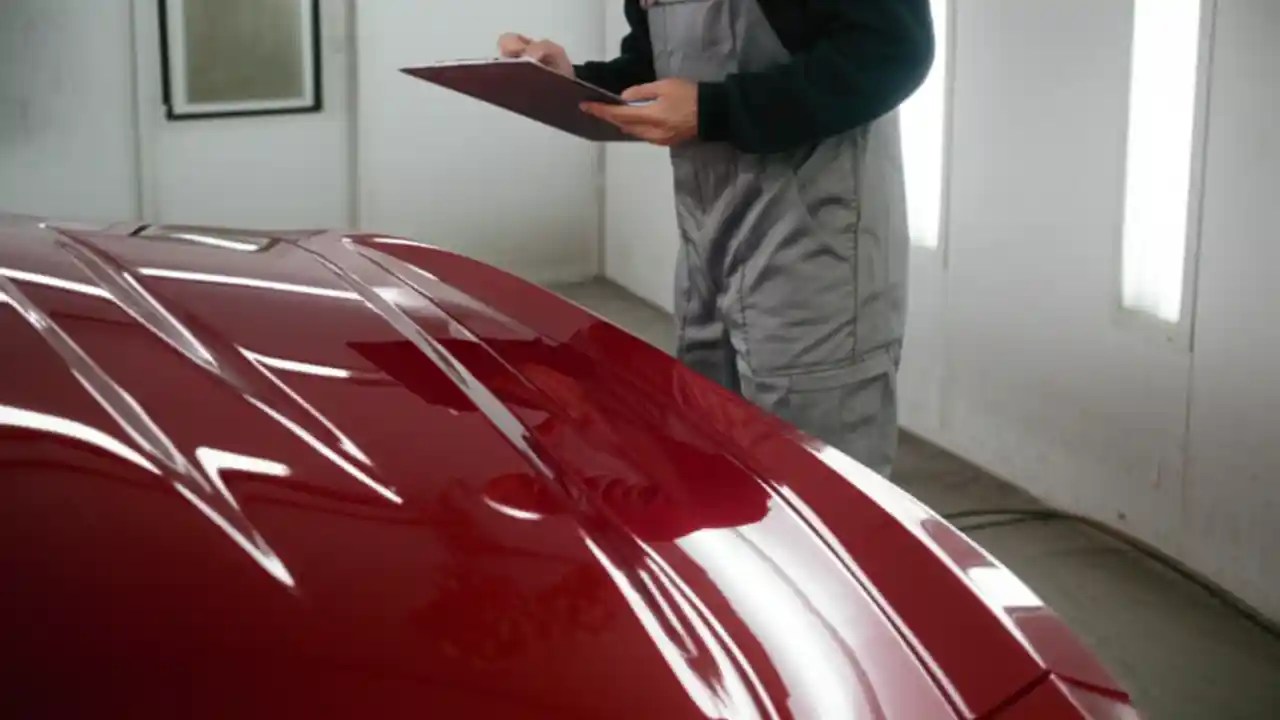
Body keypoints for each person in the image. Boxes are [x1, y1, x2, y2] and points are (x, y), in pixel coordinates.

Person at [498, 0, 934, 478]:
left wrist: (715, 109)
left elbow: (893, 50)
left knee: (818, 487)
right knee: (711, 457)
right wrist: (574, 81)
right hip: (707, 242)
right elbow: (655, 67)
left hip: (814, 251)